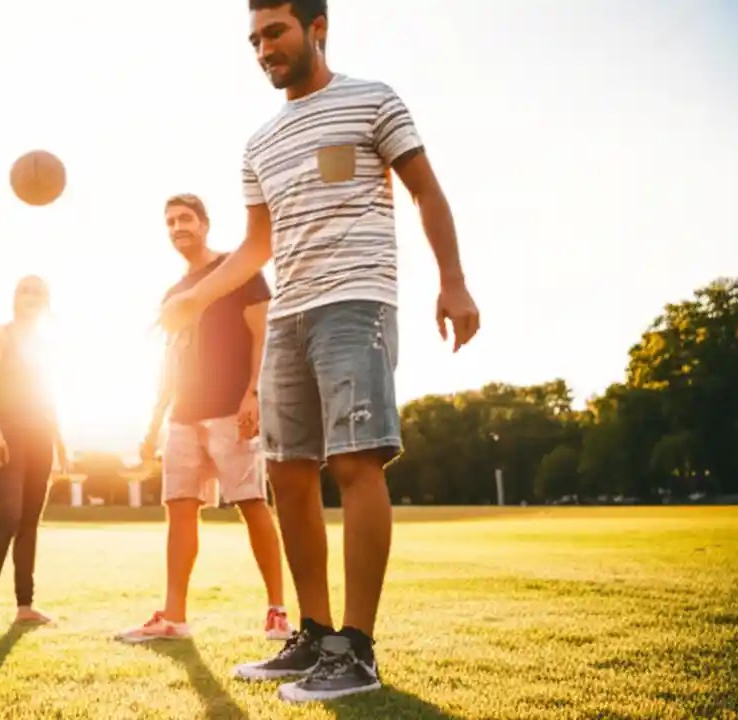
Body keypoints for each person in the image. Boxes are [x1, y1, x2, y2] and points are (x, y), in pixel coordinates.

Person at [159, 0, 481, 703]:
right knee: (288, 472)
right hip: (288, 319)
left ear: (317, 29)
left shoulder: (373, 100)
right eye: (254, 39)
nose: (263, 49)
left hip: (356, 302)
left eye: (274, 33)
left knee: (356, 460)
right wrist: (196, 296)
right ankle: (315, 634)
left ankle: (357, 650)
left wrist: (452, 281)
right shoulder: (258, 143)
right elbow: (255, 245)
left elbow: (426, 191)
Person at [115, 194, 292, 644]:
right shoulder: (173, 295)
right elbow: (171, 363)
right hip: (183, 417)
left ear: (205, 223)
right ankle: (174, 616)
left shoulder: (239, 268)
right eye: (171, 221)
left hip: (232, 411)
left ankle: (277, 611)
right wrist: (155, 422)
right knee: (179, 511)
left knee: (253, 505)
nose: (178, 227)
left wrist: (254, 394)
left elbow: (263, 335)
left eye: (186, 219)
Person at [0, 275, 68, 633]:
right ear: (15, 297)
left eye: (39, 291)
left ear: (46, 300)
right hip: (6, 433)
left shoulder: (44, 343)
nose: (31, 296)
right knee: (8, 517)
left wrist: (60, 444)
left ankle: (25, 606)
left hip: (40, 436)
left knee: (29, 523)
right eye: (25, 289)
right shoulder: (1, 335)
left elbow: (48, 395)